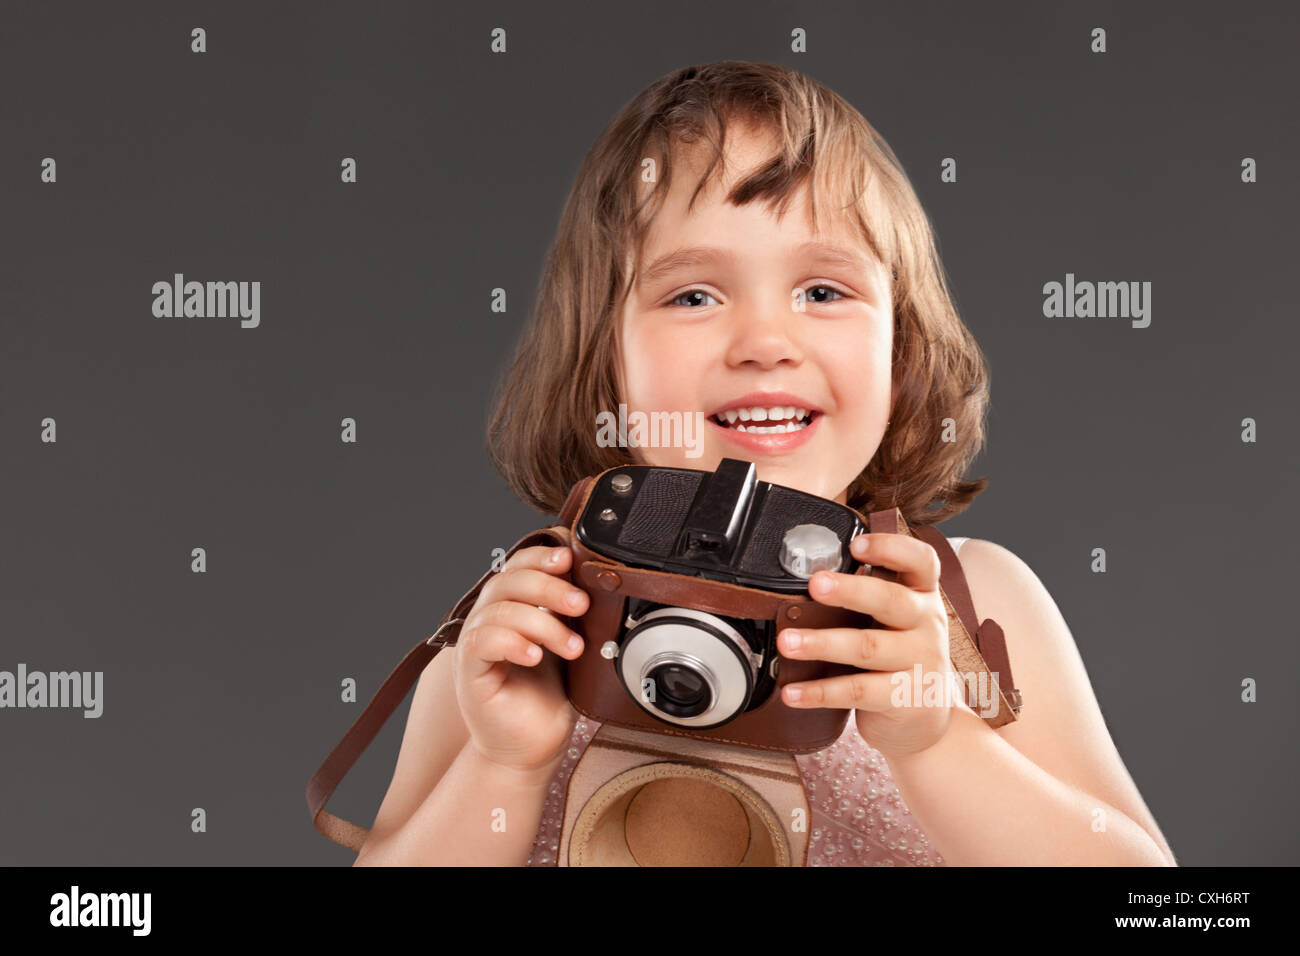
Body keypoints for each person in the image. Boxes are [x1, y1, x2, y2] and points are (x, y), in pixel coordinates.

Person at [352, 60, 1176, 867]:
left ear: (903, 345)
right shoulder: (526, 633)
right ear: (603, 358)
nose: (765, 346)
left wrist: (938, 743)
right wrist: (502, 764)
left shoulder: (970, 608)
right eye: (694, 296)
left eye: (823, 291)